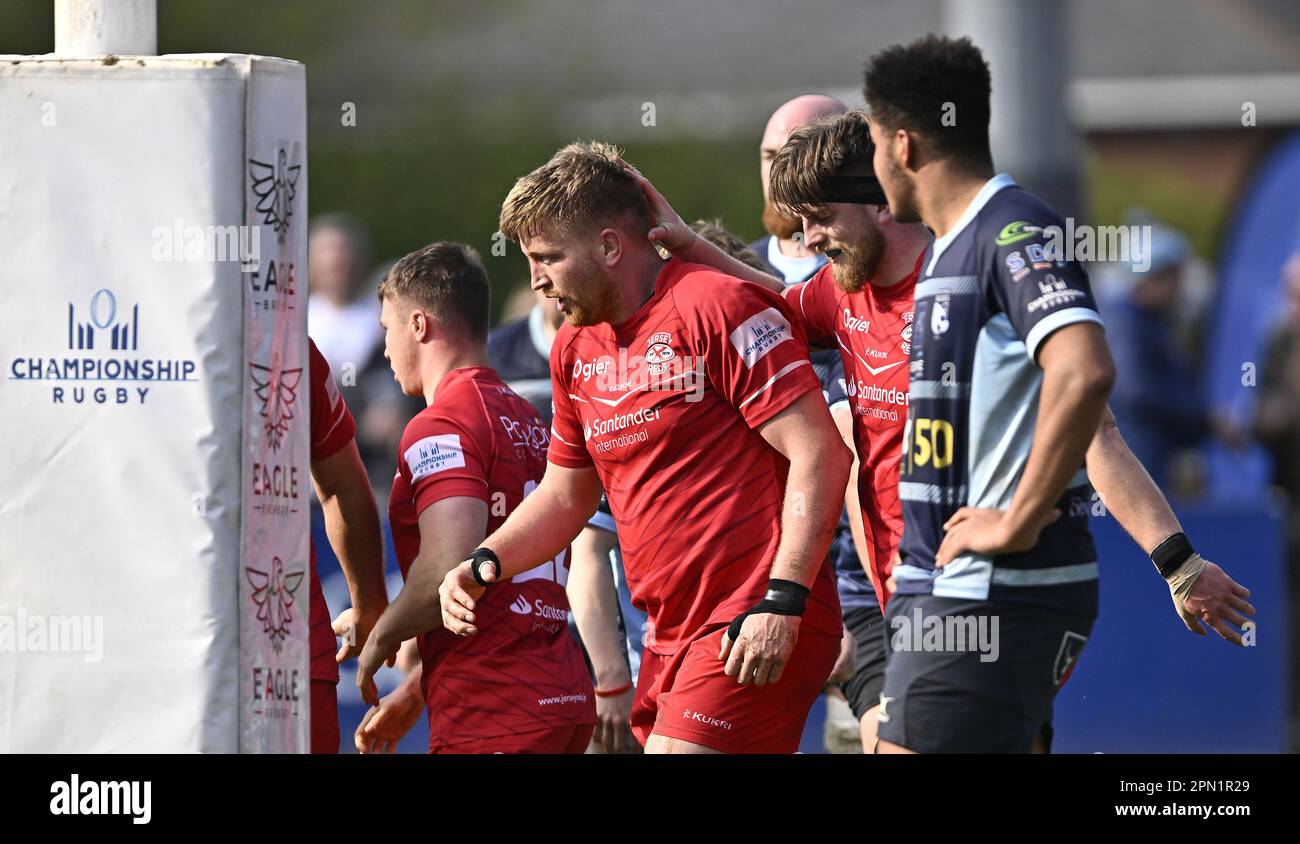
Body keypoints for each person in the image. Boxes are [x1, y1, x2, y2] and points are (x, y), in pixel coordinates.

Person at [634, 104, 1256, 754]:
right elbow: (776, 304)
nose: (807, 240)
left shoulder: (978, 289)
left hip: (994, 592)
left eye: (820, 219)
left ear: (878, 204)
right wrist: (691, 247)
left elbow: (1095, 433)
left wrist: (1178, 564)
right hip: (898, 597)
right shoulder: (843, 292)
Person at [856, 35, 1253, 753]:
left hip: (989, 590)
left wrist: (1013, 521)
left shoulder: (1013, 229)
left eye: (876, 141)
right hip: (956, 593)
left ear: (904, 145)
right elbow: (1094, 431)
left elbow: (1086, 371)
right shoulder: (954, 247)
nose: (876, 163)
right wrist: (1179, 563)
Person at [438, 141, 852, 754]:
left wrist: (783, 598)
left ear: (609, 247)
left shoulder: (714, 304)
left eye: (548, 256)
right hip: (668, 635)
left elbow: (820, 453)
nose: (535, 280)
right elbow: (564, 495)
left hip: (754, 614)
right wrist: (483, 562)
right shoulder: (574, 350)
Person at [353, 242, 595, 754]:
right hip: (560, 694)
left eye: (386, 331)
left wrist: (381, 635)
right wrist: (419, 690)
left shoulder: (442, 422)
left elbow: (448, 561)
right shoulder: (529, 418)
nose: (385, 352)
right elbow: (497, 590)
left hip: (493, 707)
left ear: (418, 325)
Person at [304, 337, 389, 754]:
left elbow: (341, 488)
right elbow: (341, 486)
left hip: (288, 651)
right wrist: (371, 607)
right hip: (289, 646)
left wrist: (370, 607)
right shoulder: (289, 345)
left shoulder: (293, 350)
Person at [1100, 215, 1209, 487]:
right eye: (1174, 278)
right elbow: (1136, 390)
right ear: (1150, 278)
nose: (1180, 288)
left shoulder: (1146, 321)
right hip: (1134, 466)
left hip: (1141, 462)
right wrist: (1204, 417)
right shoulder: (1125, 324)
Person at [751, 95, 848, 285]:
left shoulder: (879, 271)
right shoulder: (734, 271)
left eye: (795, 156)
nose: (777, 173)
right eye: (770, 156)